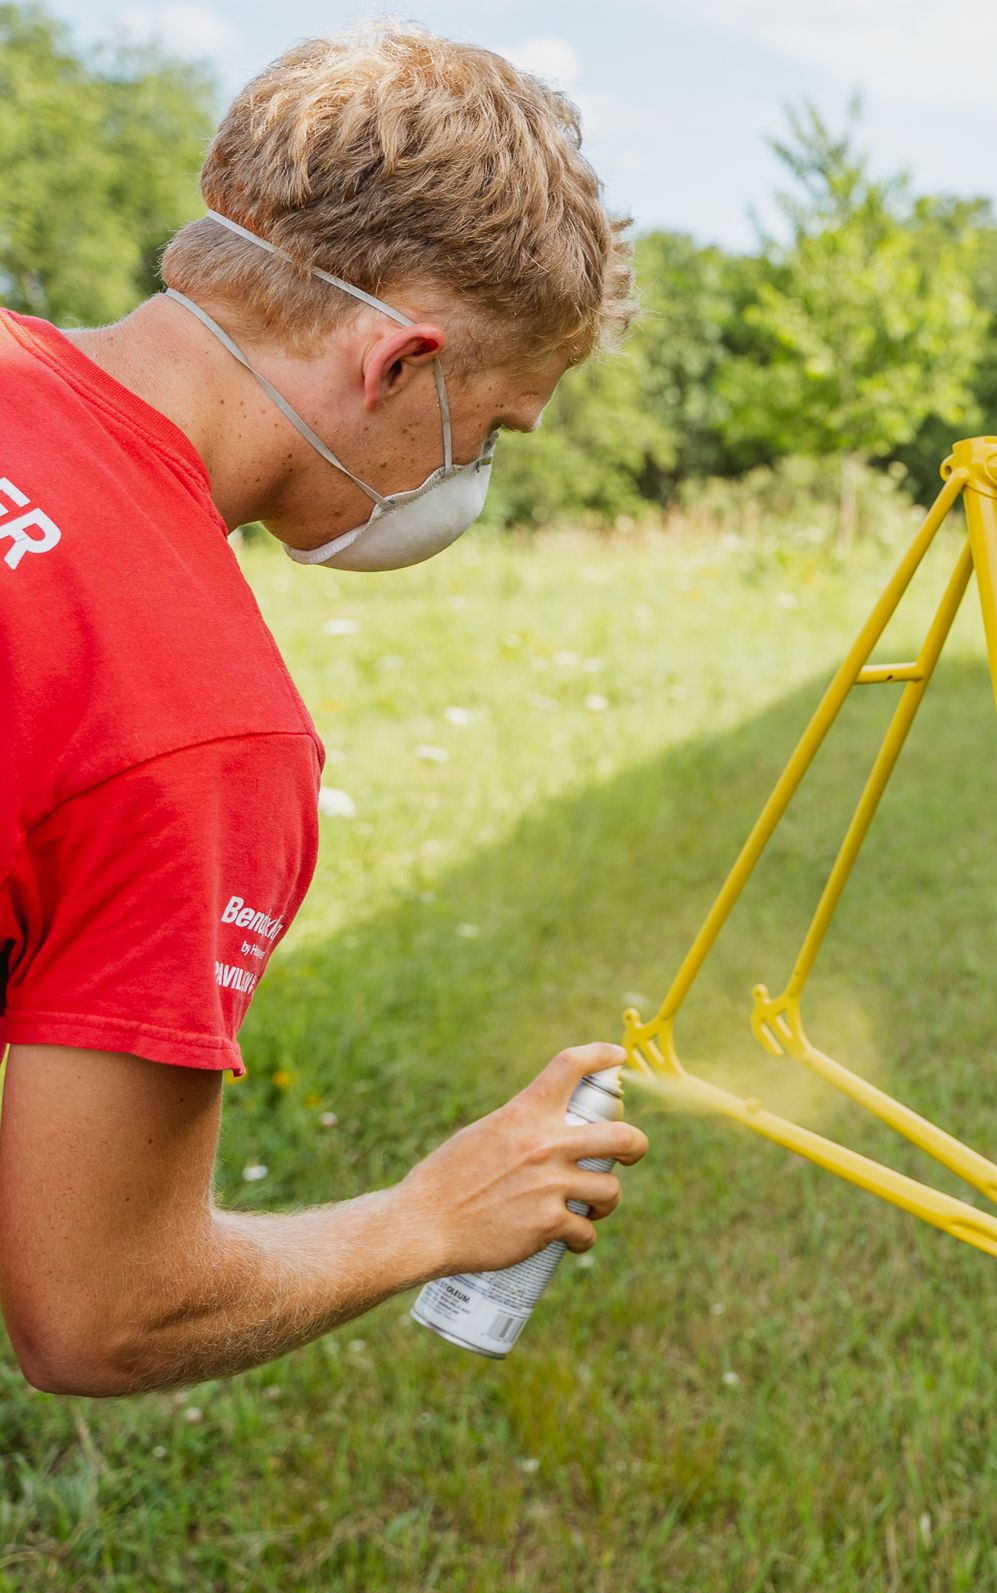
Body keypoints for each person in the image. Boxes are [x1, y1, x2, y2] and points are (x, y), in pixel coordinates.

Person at [0, 23, 648, 1396]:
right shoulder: (201, 730)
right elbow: (99, 1309)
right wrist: (432, 1217)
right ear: (396, 365)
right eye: (493, 434)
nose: (470, 482)